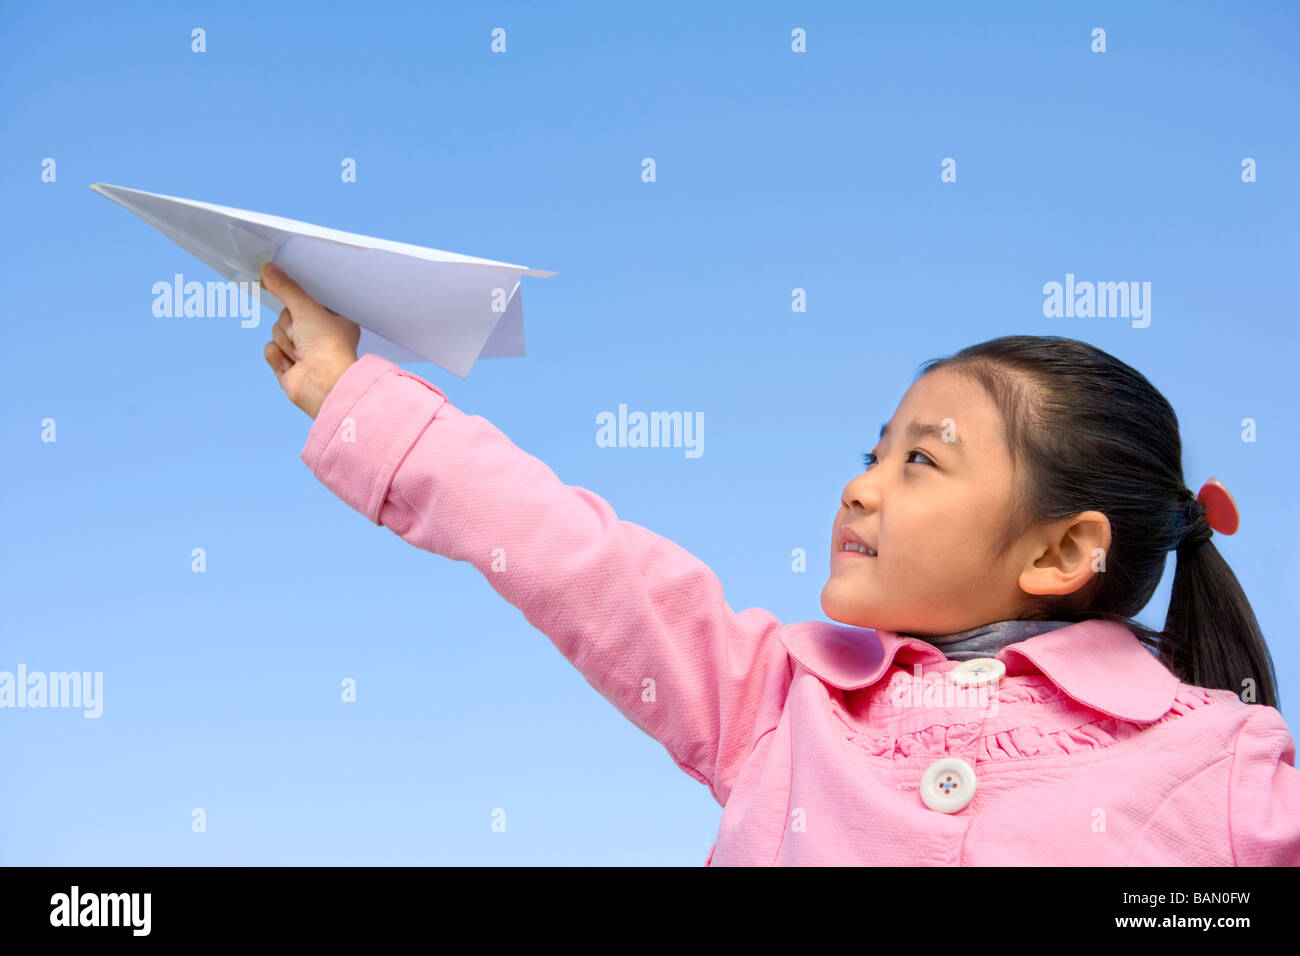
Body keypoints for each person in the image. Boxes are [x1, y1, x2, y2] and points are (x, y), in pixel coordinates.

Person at [259, 260, 1300, 866]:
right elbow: (568, 551)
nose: (861, 485)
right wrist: (357, 394)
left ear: (1063, 547)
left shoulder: (1220, 764)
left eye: (921, 460)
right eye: (872, 453)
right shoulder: (776, 699)